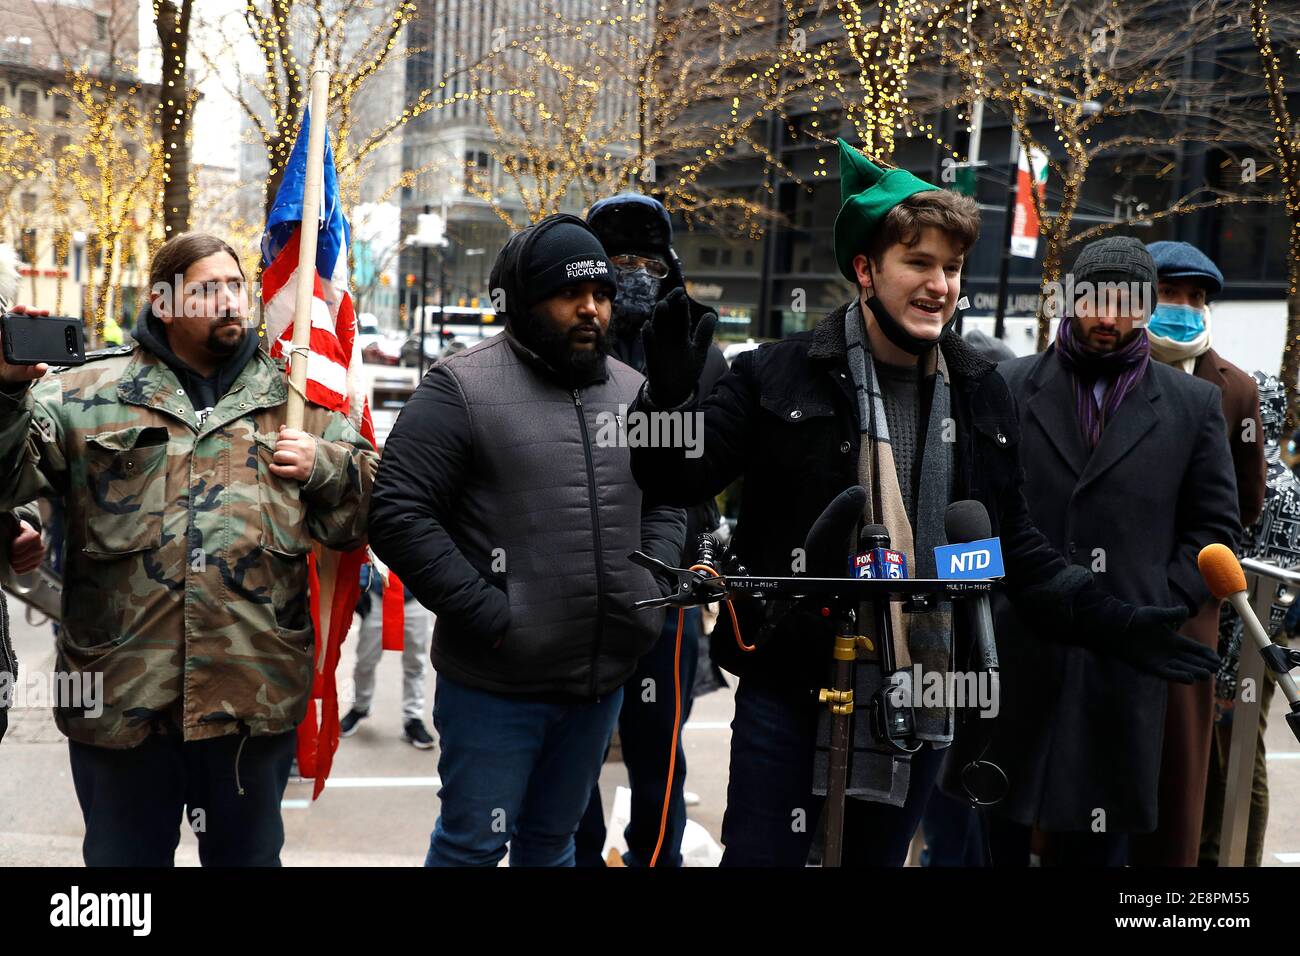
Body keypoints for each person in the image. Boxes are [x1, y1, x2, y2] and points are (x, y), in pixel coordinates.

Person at [628, 139, 1219, 867]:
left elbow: (1014, 547)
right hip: (789, 689)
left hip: (925, 695)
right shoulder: (776, 375)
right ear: (866, 269)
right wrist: (664, 398)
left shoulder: (980, 388)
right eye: (920, 263)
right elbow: (674, 478)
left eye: (953, 267)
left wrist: (1117, 624)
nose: (941, 284)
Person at [0, 232, 377, 866]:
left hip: (249, 710)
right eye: (207, 290)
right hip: (120, 708)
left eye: (236, 287)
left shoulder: (297, 402)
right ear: (163, 303)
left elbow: (370, 513)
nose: (230, 302)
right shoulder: (85, 395)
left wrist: (327, 467)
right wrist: (7, 396)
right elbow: (7, 481)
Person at [367, 213, 686, 867]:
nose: (591, 309)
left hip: (598, 683)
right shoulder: (460, 388)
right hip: (495, 687)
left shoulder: (636, 393)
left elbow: (670, 496)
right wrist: (494, 616)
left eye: (599, 294)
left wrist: (647, 585)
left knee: (553, 844)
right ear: (524, 302)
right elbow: (398, 513)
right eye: (570, 295)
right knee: (473, 848)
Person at [987, 237, 1239, 866]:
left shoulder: (1193, 404)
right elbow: (978, 512)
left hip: (1125, 663)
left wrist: (1160, 604)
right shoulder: (1009, 386)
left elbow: (1214, 528)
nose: (1107, 318)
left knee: (1096, 847)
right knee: (996, 836)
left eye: (1125, 304)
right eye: (1094, 300)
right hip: (1022, 652)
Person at [572, 192, 729, 867]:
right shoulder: (566, 345)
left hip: (666, 587)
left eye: (649, 261)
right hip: (577, 579)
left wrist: (699, 557)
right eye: (620, 259)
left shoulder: (700, 351)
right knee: (570, 756)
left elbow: (707, 475)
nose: (636, 274)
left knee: (658, 753)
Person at [1124, 240, 1266, 866]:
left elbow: (1244, 501)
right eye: (1169, 294)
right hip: (1108, 592)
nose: (1182, 308)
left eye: (1195, 297)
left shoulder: (1236, 389)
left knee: (1179, 769)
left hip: (1190, 607)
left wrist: (1191, 572)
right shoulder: (1108, 370)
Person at [1200, 371, 1293, 866]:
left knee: (1242, 759)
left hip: (1252, 647)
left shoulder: (1274, 488)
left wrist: (1234, 673)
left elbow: (1266, 593)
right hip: (1245, 642)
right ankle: (1217, 850)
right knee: (1224, 759)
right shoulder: (1268, 477)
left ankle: (1237, 858)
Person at [340, 557, 435, 749]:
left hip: (417, 594)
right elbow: (361, 547)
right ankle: (360, 706)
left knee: (416, 662)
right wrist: (359, 583)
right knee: (365, 661)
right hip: (376, 593)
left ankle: (412, 717)